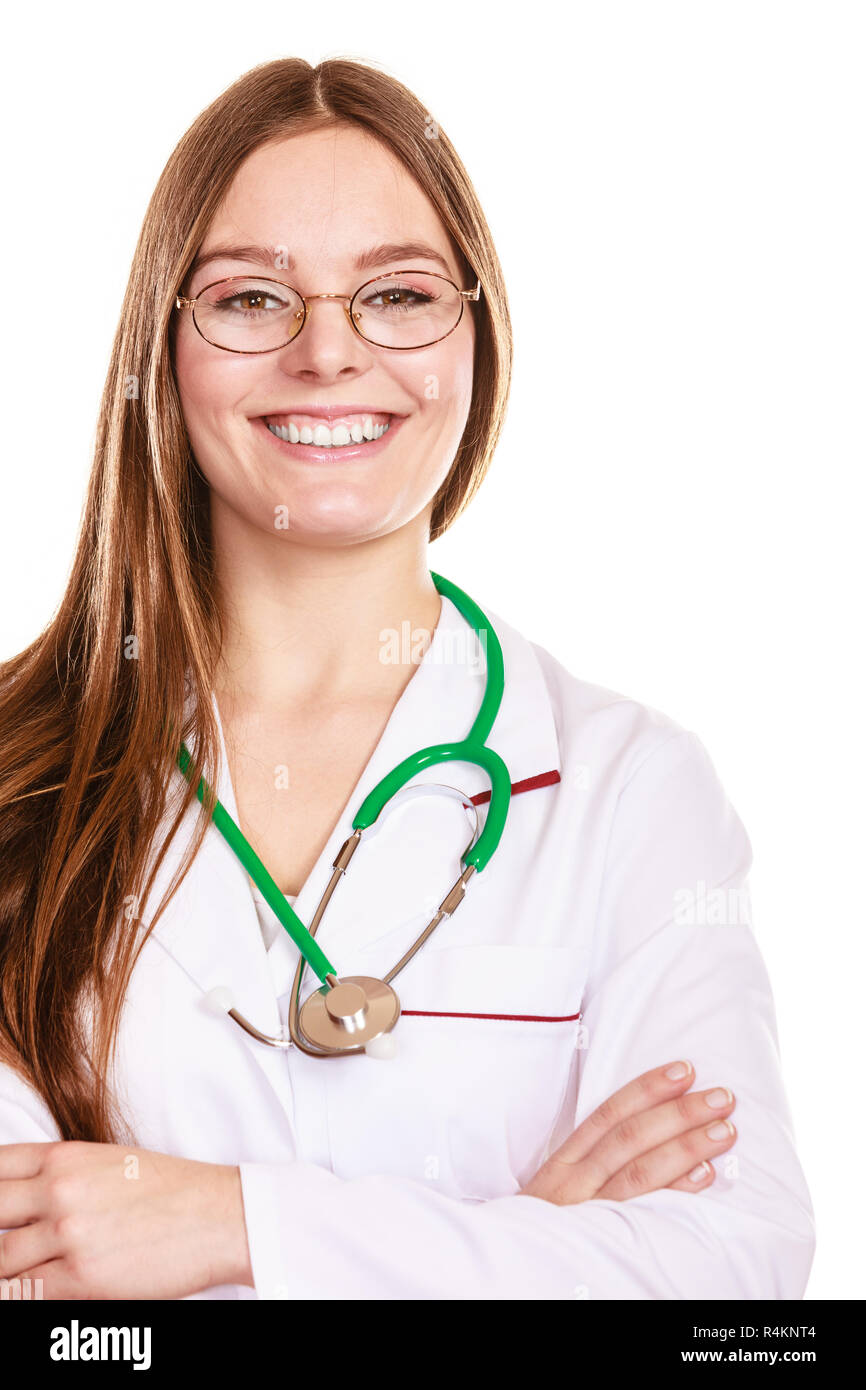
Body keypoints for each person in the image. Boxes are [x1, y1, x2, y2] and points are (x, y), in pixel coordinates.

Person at [0, 57, 814, 1300]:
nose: (328, 351)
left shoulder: (629, 794)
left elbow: (733, 1290)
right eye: (251, 297)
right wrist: (522, 1237)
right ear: (163, 347)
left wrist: (235, 1227)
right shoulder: (17, 775)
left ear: (475, 339)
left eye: (396, 293)